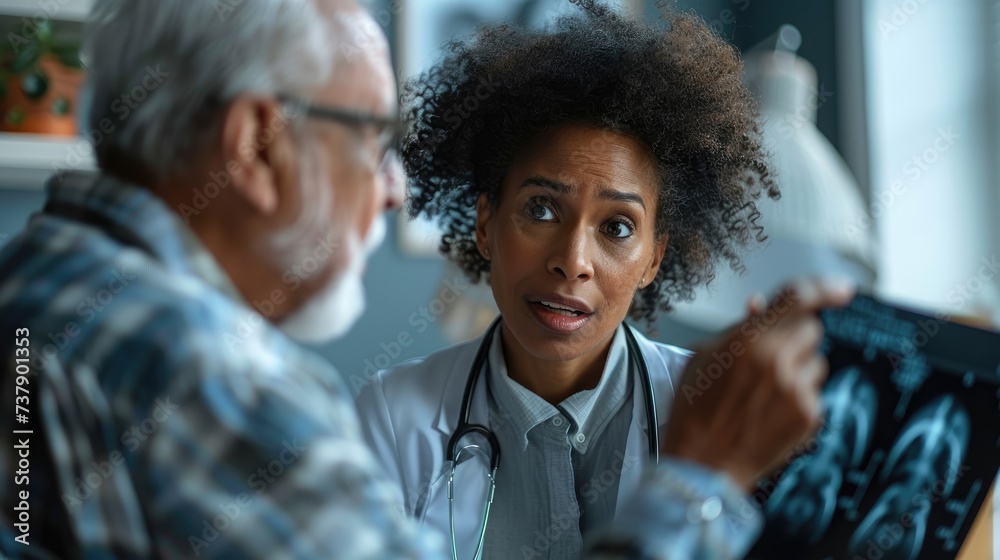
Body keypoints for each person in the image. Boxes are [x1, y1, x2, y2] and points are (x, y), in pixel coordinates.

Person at [0, 1, 847, 559]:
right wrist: (704, 484)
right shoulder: (209, 371)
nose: (396, 187)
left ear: (659, 251)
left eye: (619, 226)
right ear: (256, 144)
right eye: (371, 138)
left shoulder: (38, 294)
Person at [355, 3, 854, 559]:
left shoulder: (722, 414)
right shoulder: (394, 416)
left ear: (654, 259)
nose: (573, 261)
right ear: (485, 224)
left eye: (617, 226)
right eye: (541, 209)